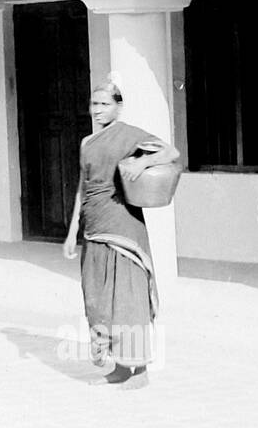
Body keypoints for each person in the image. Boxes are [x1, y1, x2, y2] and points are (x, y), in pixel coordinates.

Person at [63, 78, 180, 389]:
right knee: (98, 296)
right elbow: (82, 186)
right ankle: (117, 368)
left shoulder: (130, 137)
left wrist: (143, 165)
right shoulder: (87, 142)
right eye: (94, 104)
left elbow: (171, 152)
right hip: (93, 224)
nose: (98, 110)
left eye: (105, 104)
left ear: (118, 107)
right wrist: (73, 227)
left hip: (123, 224)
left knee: (127, 295)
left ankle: (139, 372)